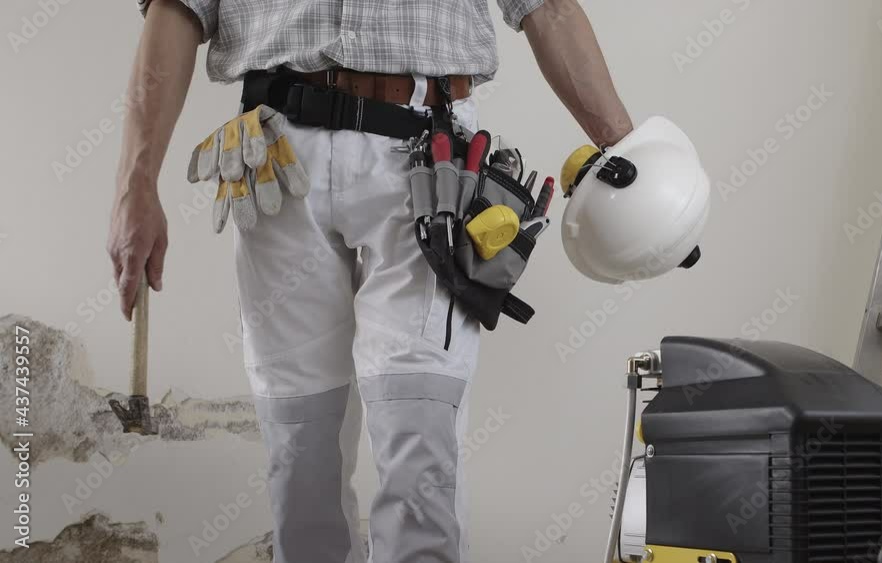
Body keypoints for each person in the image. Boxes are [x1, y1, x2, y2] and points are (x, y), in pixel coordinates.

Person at [106, 0, 631, 560]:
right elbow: (177, 10)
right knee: (299, 456)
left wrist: (630, 153)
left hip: (429, 166)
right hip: (277, 162)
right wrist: (134, 185)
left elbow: (546, 9)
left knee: (420, 443)